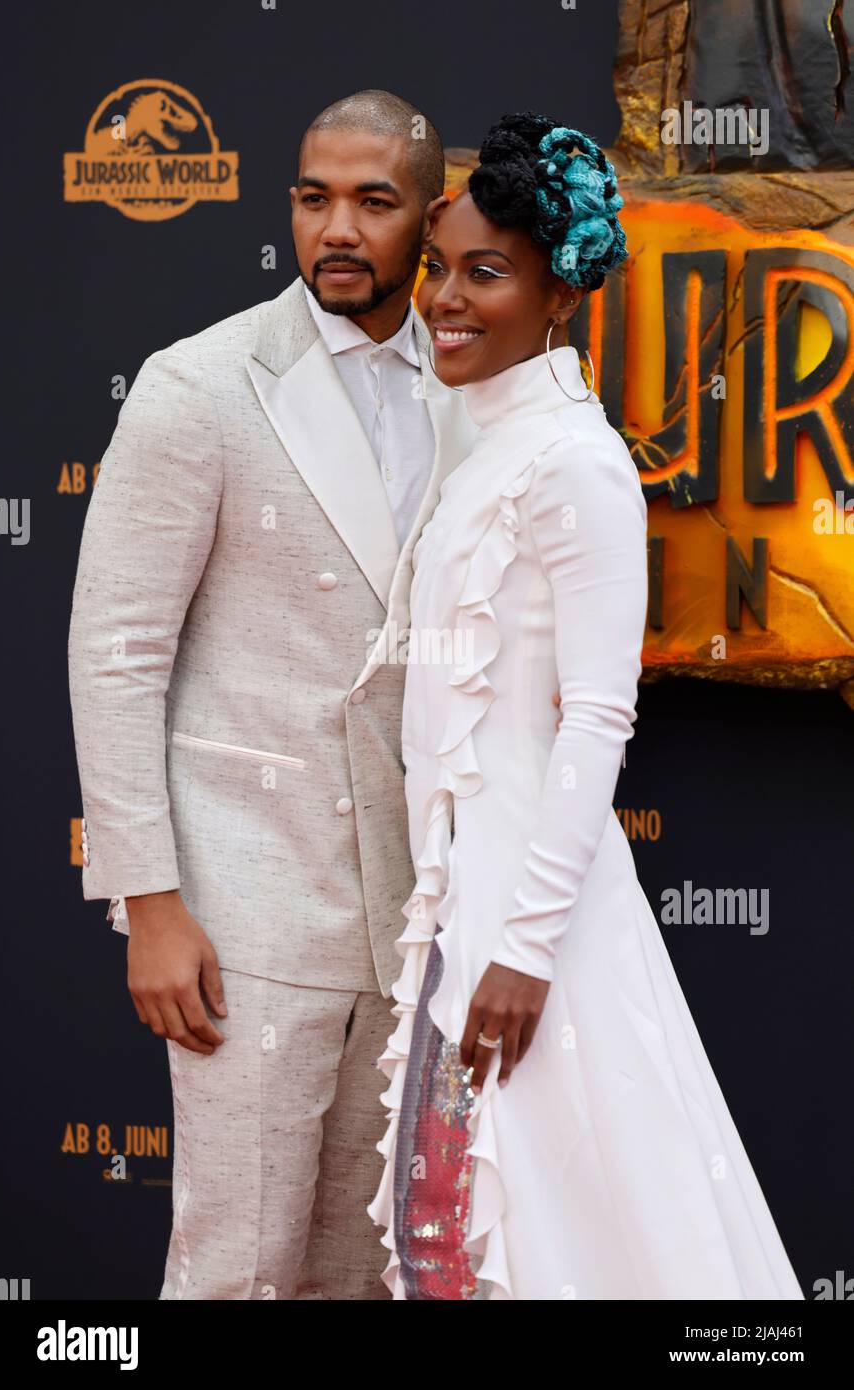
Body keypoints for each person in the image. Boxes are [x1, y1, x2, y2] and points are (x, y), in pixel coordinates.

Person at [366, 111, 805, 1301]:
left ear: (562, 292)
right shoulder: (486, 445)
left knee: (543, 1234)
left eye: (486, 273)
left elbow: (598, 718)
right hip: (460, 907)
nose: (447, 300)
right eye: (439, 269)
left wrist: (522, 945)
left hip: (532, 935)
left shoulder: (578, 464)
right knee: (452, 1233)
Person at [67, 89, 478, 1299]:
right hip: (246, 904)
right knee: (235, 1266)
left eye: (372, 200)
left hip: (416, 906)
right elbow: (117, 647)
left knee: (363, 1269)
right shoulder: (200, 383)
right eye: (313, 199)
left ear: (430, 213)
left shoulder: (477, 386)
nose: (336, 228)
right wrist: (148, 900)